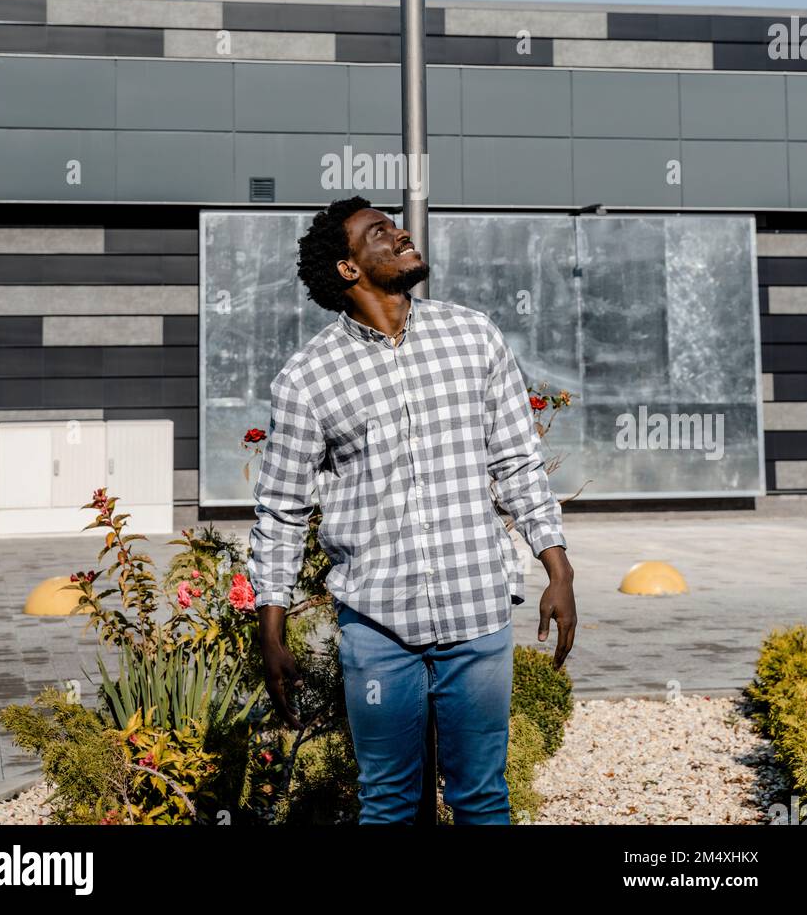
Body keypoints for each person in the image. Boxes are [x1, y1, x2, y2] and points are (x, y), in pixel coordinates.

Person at [247, 195, 576, 824]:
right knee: (389, 804)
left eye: (394, 224)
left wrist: (557, 568)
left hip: (476, 610)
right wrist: (272, 622)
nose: (399, 233)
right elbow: (282, 509)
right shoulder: (307, 378)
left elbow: (515, 461)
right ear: (349, 269)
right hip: (377, 626)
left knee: (482, 798)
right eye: (378, 232)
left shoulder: (473, 335)